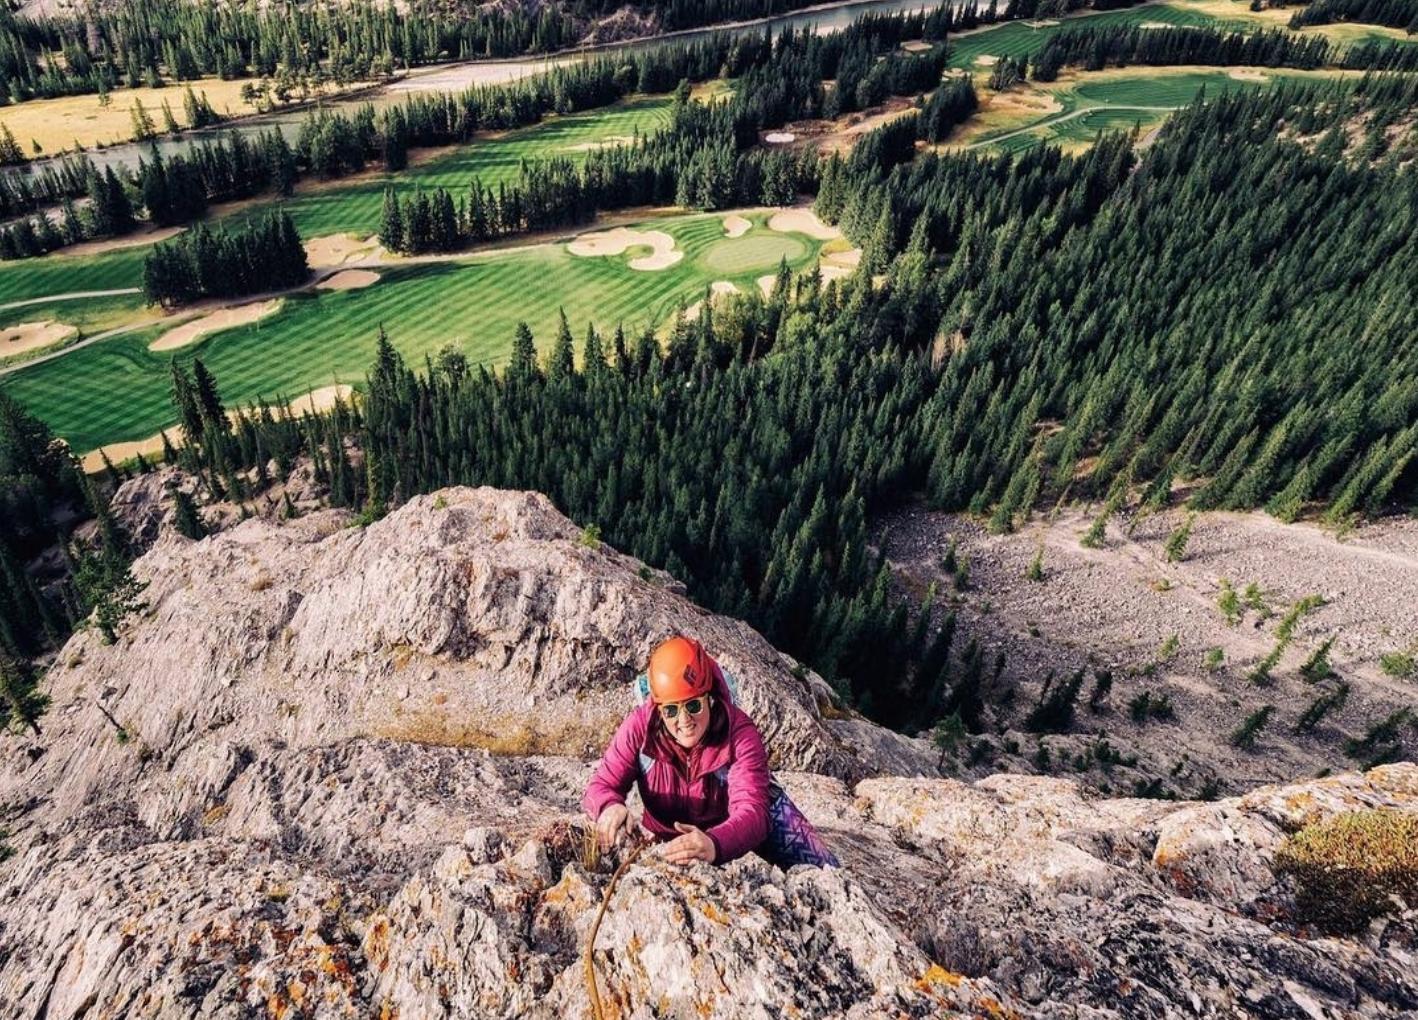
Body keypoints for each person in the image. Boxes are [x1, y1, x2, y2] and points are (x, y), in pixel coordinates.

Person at [583, 634, 838, 868]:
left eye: (693, 705)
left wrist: (714, 844)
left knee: (827, 873)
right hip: (664, 832)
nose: (684, 720)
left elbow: (752, 810)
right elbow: (601, 785)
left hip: (733, 827)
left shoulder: (738, 733)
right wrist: (608, 807)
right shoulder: (640, 727)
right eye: (671, 710)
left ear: (710, 698)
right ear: (659, 709)